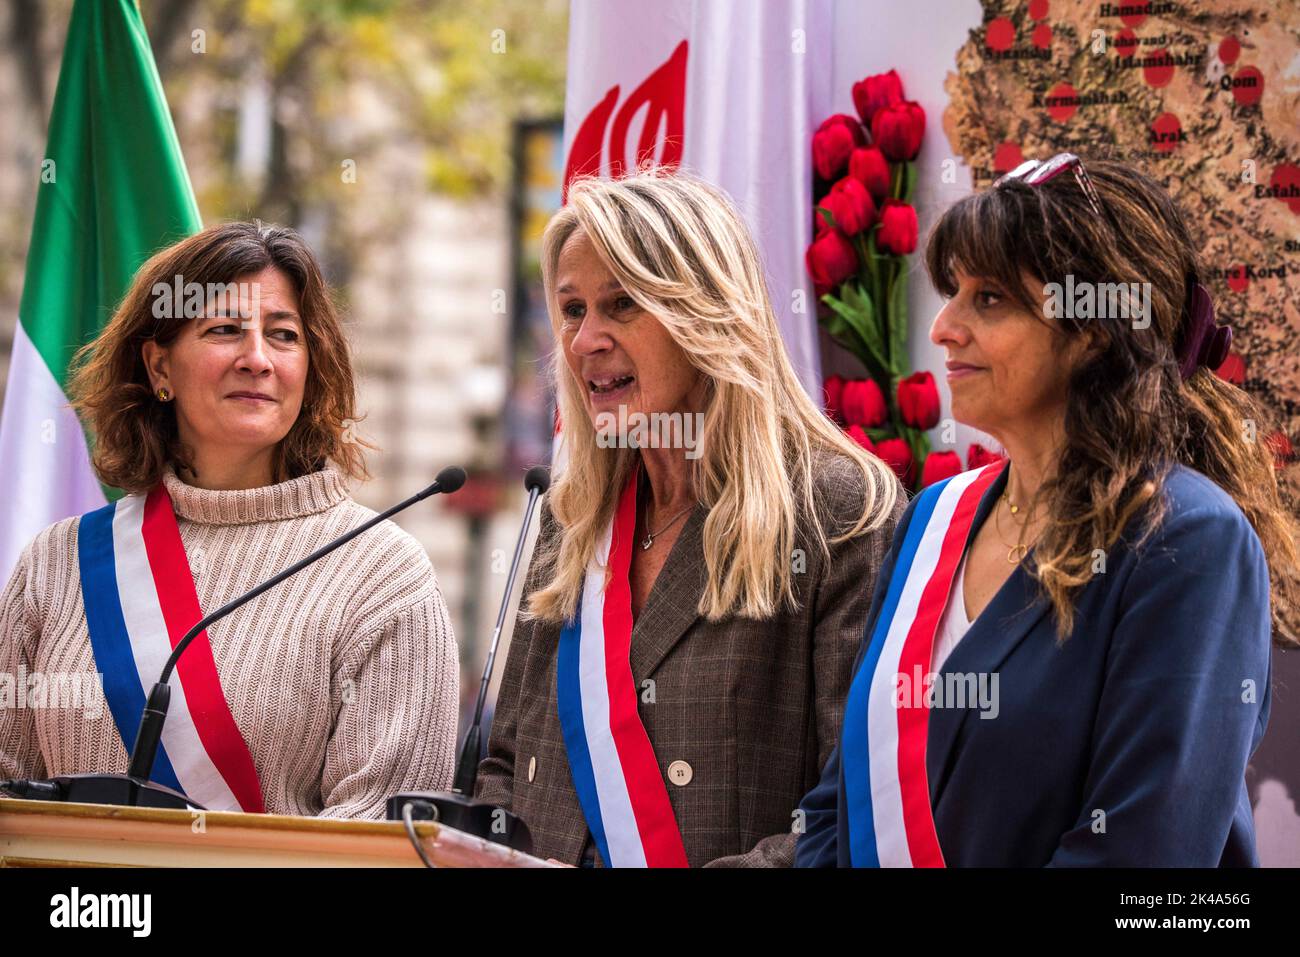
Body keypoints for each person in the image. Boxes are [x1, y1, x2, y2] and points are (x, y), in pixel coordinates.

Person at [795, 154, 1299, 867]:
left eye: (989, 299)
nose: (943, 328)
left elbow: (1141, 857)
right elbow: (837, 808)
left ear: (1093, 325)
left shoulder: (1189, 540)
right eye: (952, 292)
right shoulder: (931, 518)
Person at [475, 171, 905, 867]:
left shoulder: (836, 508)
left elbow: (851, 807)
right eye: (574, 310)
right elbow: (505, 762)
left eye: (622, 304)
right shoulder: (572, 513)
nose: (586, 340)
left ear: (707, 317)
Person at [0, 221, 459, 819]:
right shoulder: (59, 562)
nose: (258, 359)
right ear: (159, 367)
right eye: (223, 330)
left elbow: (382, 832)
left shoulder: (380, 575)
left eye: (284, 335)